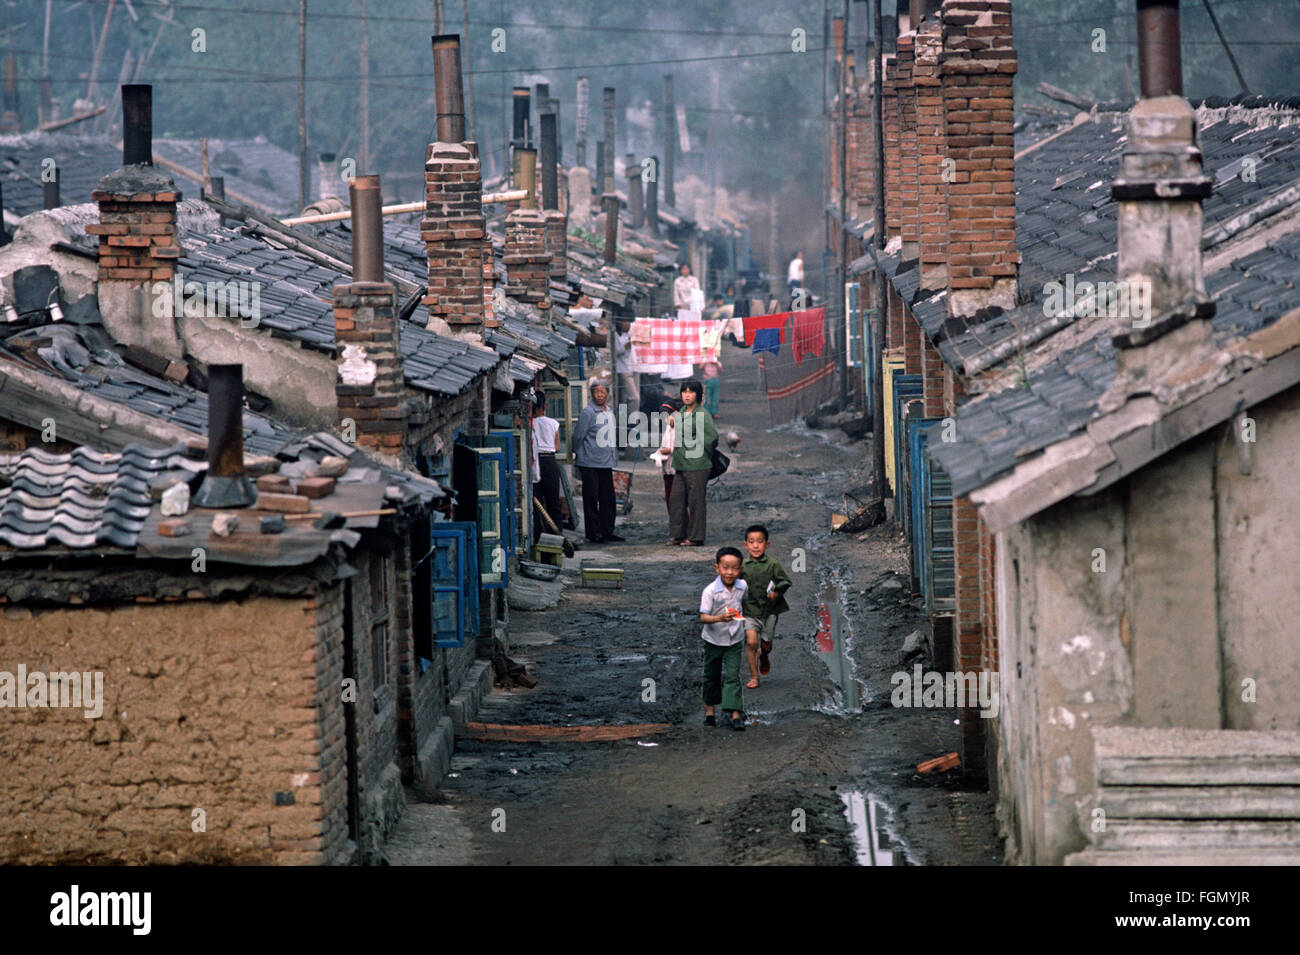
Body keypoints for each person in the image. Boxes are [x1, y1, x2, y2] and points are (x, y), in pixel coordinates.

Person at [699, 546, 748, 731]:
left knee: (733, 675)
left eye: (734, 568)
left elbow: (743, 602)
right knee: (711, 675)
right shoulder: (710, 591)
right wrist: (720, 618)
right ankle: (710, 712)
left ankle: (735, 713)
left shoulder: (742, 586)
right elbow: (703, 617)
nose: (729, 572)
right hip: (713, 638)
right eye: (725, 567)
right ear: (717, 568)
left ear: (740, 569)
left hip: (735, 637)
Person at [739, 524, 793, 689]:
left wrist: (776, 592)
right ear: (745, 545)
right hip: (749, 611)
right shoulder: (743, 566)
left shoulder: (773, 564)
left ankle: (764, 656)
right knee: (751, 643)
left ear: (767, 545)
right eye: (751, 542)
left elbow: (785, 581)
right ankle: (754, 676)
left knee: (766, 645)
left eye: (760, 542)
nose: (756, 546)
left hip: (769, 611)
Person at [667, 379, 717, 547]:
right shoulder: (681, 412)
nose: (687, 395)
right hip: (680, 464)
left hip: (697, 465)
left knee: (696, 502)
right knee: (676, 500)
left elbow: (711, 438)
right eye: (684, 391)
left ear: (698, 394)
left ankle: (696, 537)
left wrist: (701, 454)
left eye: (691, 392)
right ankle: (677, 535)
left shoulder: (702, 414)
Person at [572, 379, 623, 543]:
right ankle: (594, 533)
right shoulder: (588, 412)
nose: (600, 395)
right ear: (592, 394)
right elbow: (578, 436)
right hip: (590, 463)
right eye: (596, 392)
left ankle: (608, 531)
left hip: (606, 462)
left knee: (608, 499)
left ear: (607, 394)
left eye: (602, 392)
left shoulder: (608, 411)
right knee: (591, 499)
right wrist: (580, 456)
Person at [531, 397, 562, 543]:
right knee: (553, 501)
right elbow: (557, 447)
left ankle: (537, 537)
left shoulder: (530, 423)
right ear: (545, 406)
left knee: (537, 501)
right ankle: (556, 536)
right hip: (550, 461)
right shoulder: (554, 423)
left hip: (535, 461)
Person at [613, 319, 640, 450]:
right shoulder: (615, 335)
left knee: (630, 402)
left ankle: (631, 428)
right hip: (623, 371)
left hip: (634, 369)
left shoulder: (629, 333)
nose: (627, 324)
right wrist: (629, 344)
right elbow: (616, 351)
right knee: (634, 399)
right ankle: (630, 427)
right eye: (625, 322)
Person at [653, 397, 681, 520]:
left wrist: (667, 450)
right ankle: (676, 528)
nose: (666, 420)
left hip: (676, 470)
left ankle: (682, 529)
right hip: (667, 469)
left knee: (677, 501)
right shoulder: (669, 428)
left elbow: (678, 447)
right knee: (670, 500)